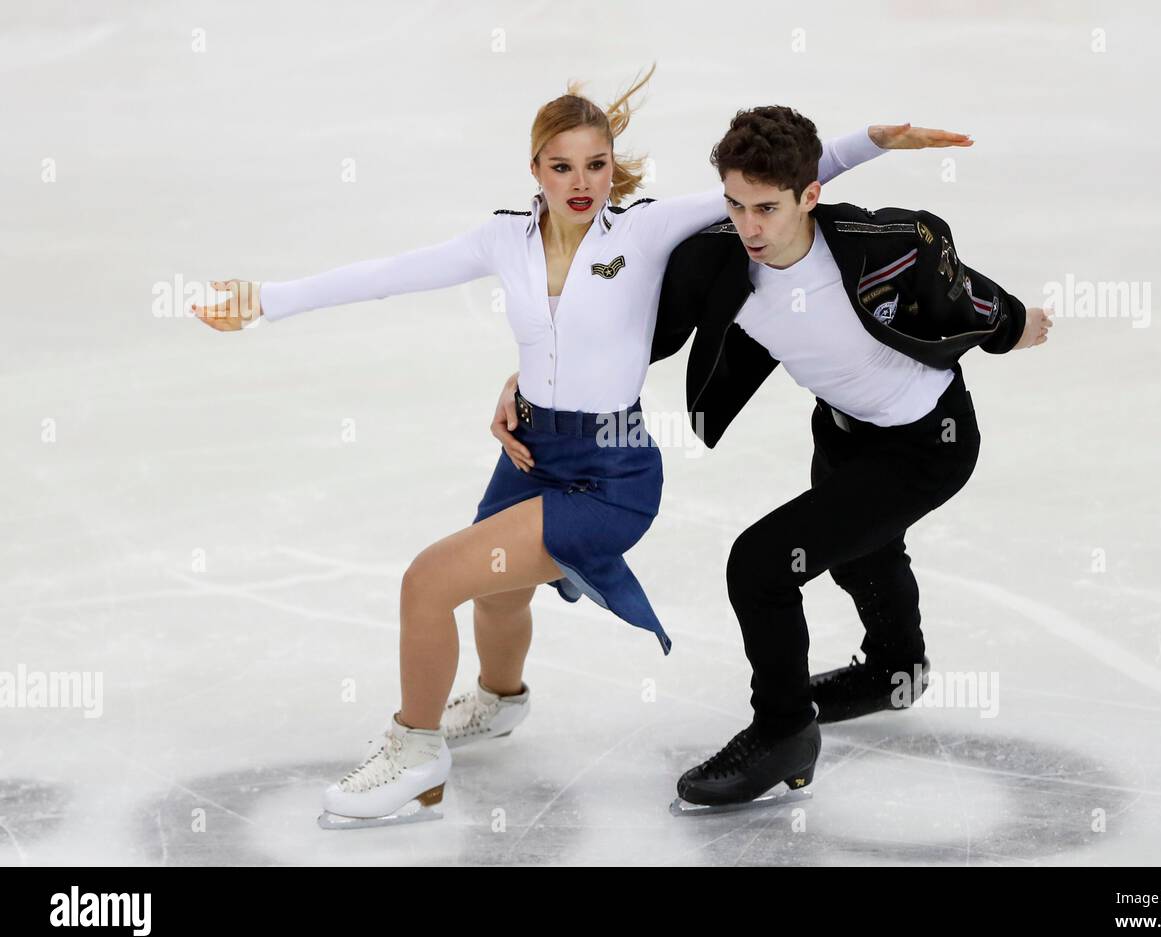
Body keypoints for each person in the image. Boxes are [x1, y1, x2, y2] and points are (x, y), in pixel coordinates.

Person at [190, 66, 966, 827]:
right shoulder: (504, 240)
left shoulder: (645, 230)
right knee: (496, 591)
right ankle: (499, 703)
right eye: (562, 166)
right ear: (536, 169)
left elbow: (792, 174)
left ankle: (415, 753)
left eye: (596, 164)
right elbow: (393, 274)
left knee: (428, 581)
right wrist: (267, 300)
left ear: (613, 168)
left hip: (609, 474)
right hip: (530, 451)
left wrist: (875, 140)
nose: (581, 180)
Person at [643, 105, 1053, 808]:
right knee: (861, 547)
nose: (750, 228)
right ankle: (894, 669)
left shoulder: (888, 244)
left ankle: (783, 732)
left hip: (928, 444)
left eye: (767, 208)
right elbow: (635, 335)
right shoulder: (715, 260)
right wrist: (538, 377)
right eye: (736, 205)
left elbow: (962, 291)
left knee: (761, 564)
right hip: (842, 432)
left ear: (810, 195)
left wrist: (1016, 323)